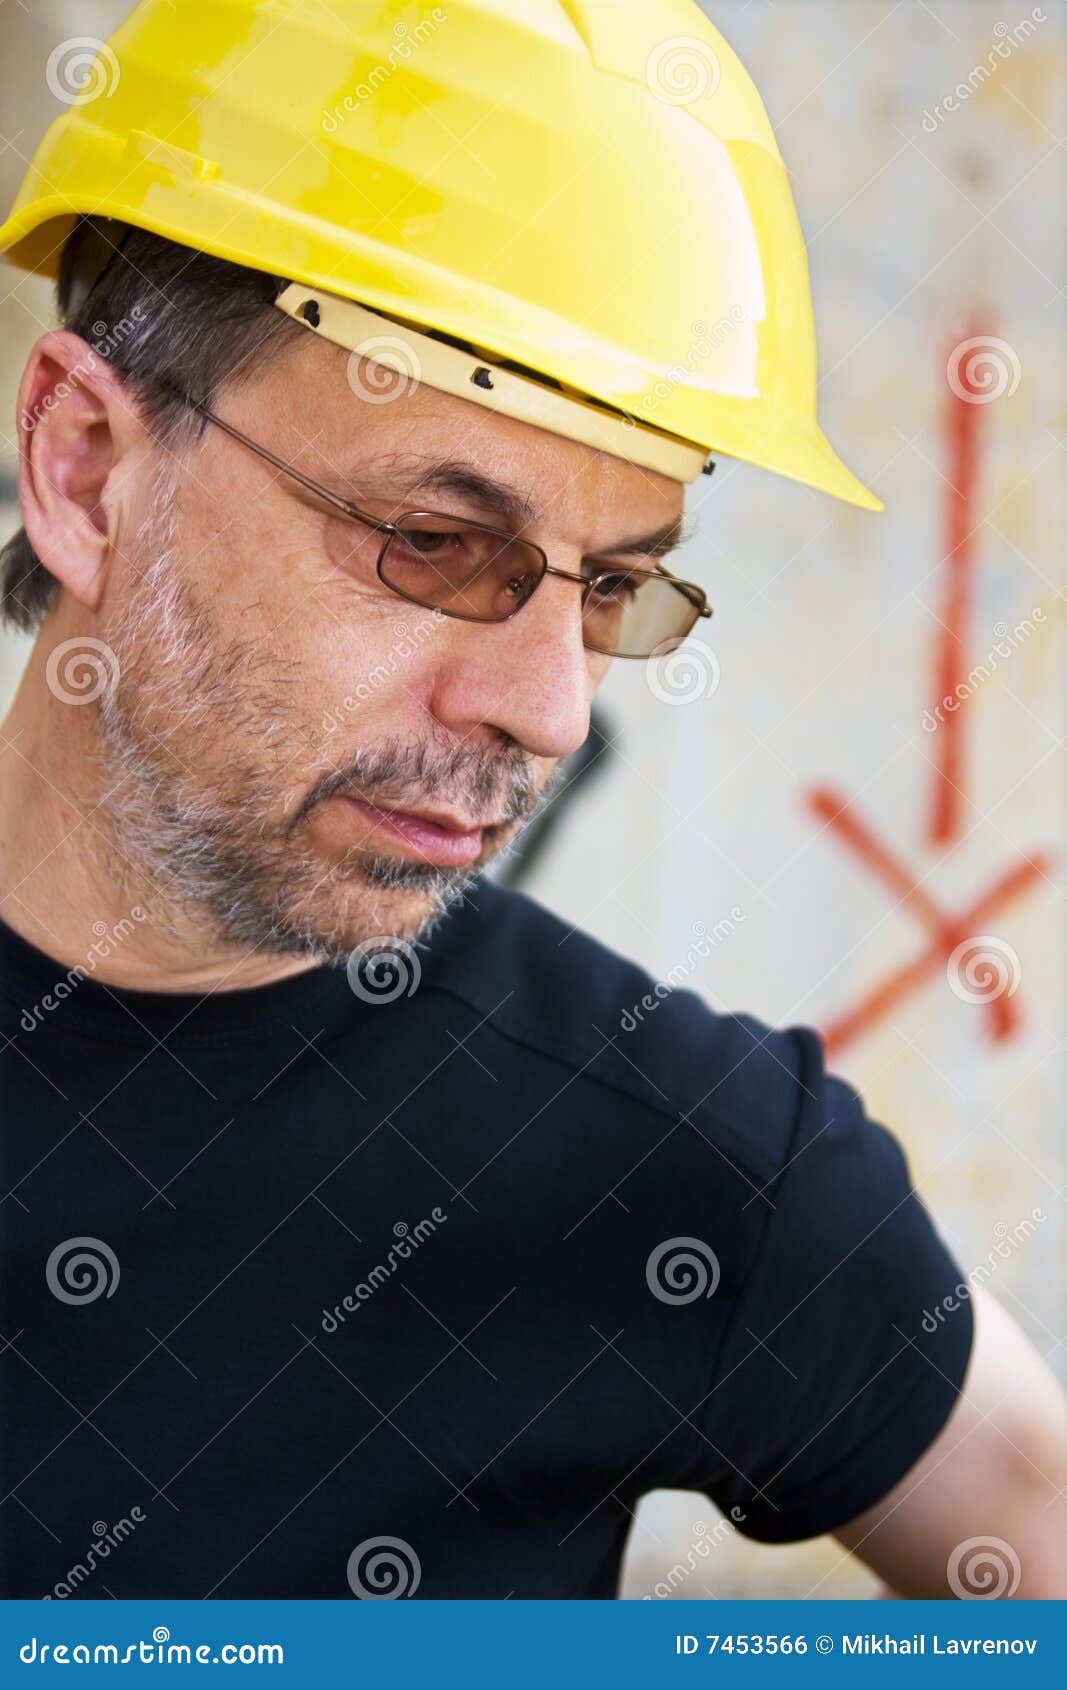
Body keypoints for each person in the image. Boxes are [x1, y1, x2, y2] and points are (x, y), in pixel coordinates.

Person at [0, 0, 1063, 1601]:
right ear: (86, 467)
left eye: (618, 585)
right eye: (431, 540)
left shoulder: (681, 1165)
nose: (550, 704)